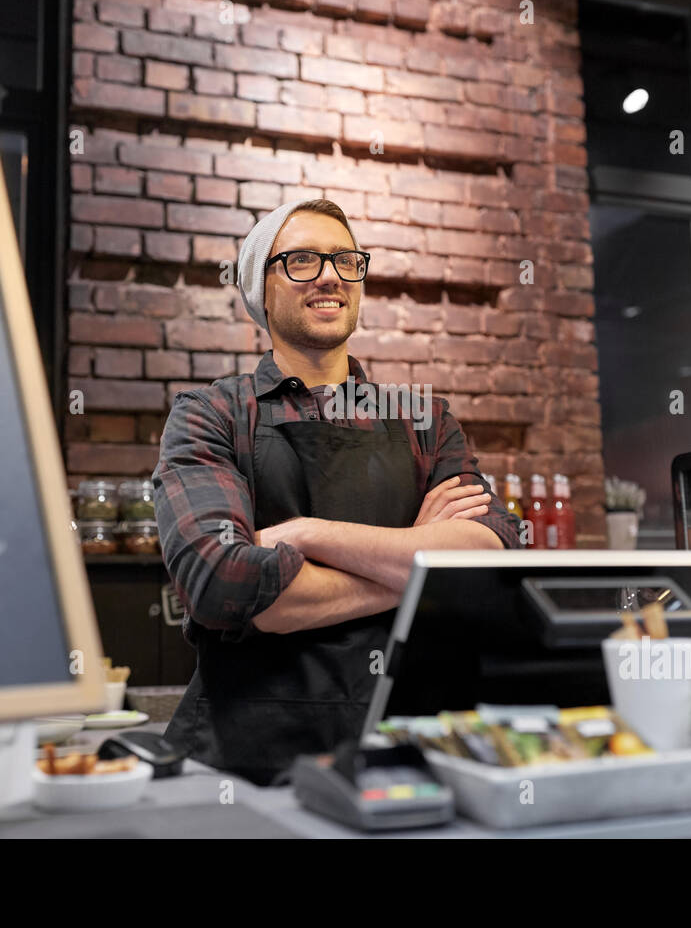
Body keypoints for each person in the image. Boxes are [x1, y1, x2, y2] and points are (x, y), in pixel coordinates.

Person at [153, 199, 522, 784]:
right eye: (300, 260)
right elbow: (222, 583)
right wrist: (423, 560)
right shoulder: (212, 414)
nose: (330, 275)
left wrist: (306, 536)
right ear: (261, 289)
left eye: (346, 260)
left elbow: (492, 564)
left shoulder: (423, 419)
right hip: (248, 759)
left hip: (405, 748)